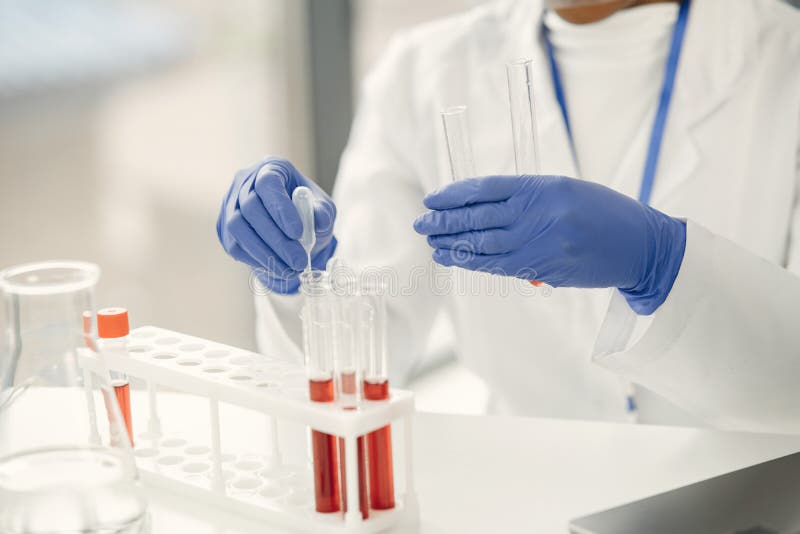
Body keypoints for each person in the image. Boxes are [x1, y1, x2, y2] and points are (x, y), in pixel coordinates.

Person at [217, 0, 800, 432]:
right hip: (527, 499)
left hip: (747, 502)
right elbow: (364, 359)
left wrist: (664, 264)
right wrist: (299, 273)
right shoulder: (420, 72)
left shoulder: (784, 57)